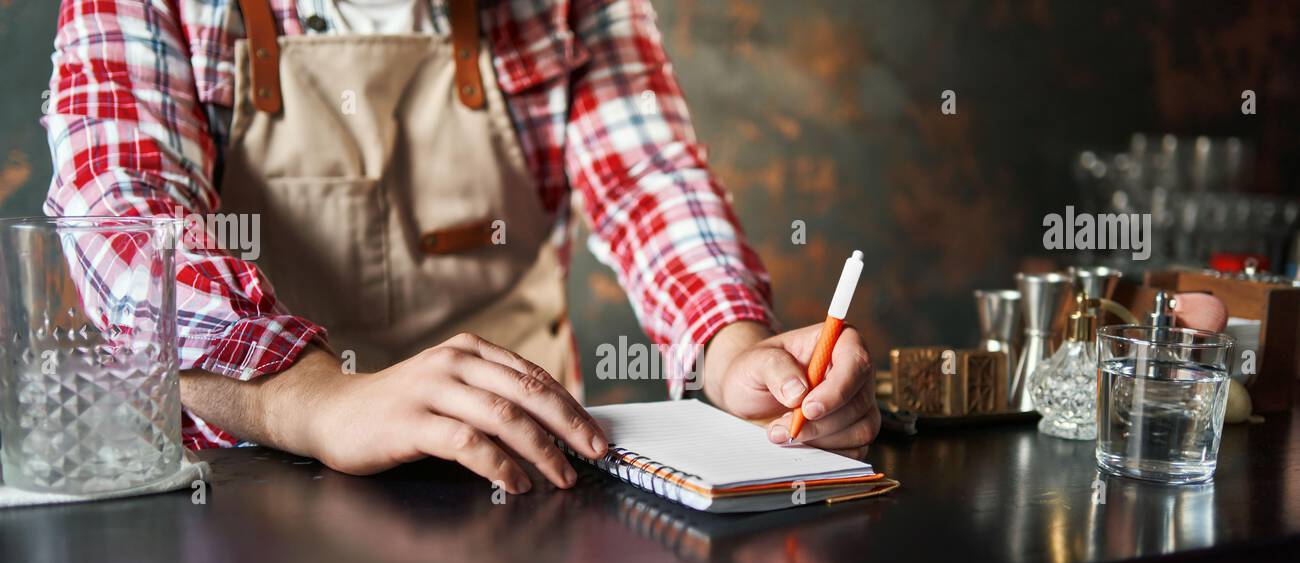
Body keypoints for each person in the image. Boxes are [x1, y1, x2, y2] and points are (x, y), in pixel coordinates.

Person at [44, 0, 880, 493]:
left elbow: (649, 180)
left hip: (527, 490)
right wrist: (315, 400)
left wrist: (733, 356)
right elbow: (122, 219)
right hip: (256, 506)